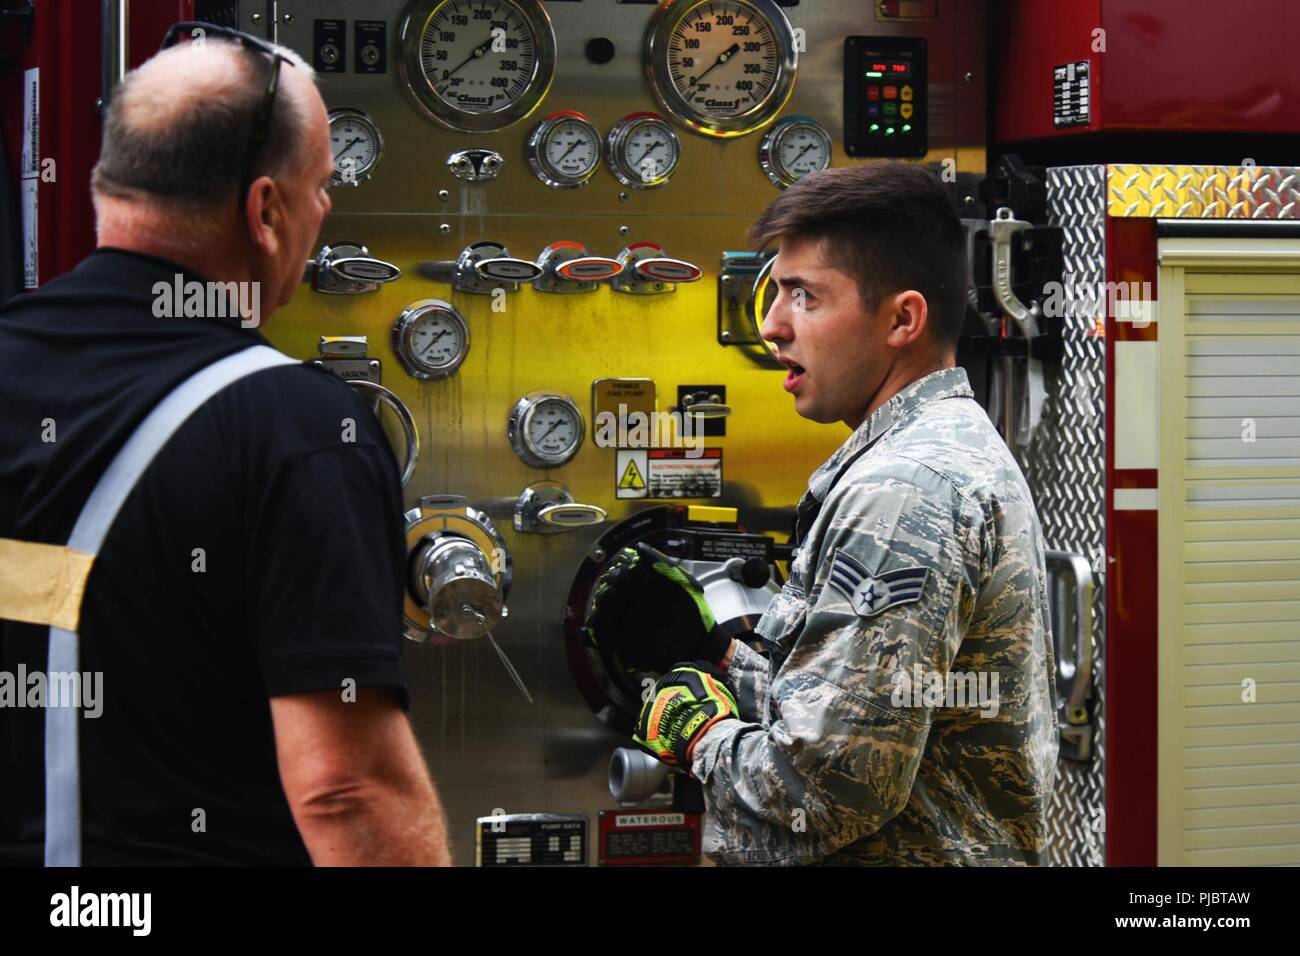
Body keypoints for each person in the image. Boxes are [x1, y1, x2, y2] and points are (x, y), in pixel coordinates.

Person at [0, 26, 449, 865]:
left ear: (110, 183)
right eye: (320, 189)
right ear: (265, 211)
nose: (324, 212)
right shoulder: (298, 429)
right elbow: (346, 792)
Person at [587, 161, 1059, 866]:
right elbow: (872, 711)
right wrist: (720, 657)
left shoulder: (904, 489)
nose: (773, 326)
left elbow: (823, 795)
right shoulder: (933, 453)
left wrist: (699, 735)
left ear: (903, 318)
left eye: (803, 296)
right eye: (774, 293)